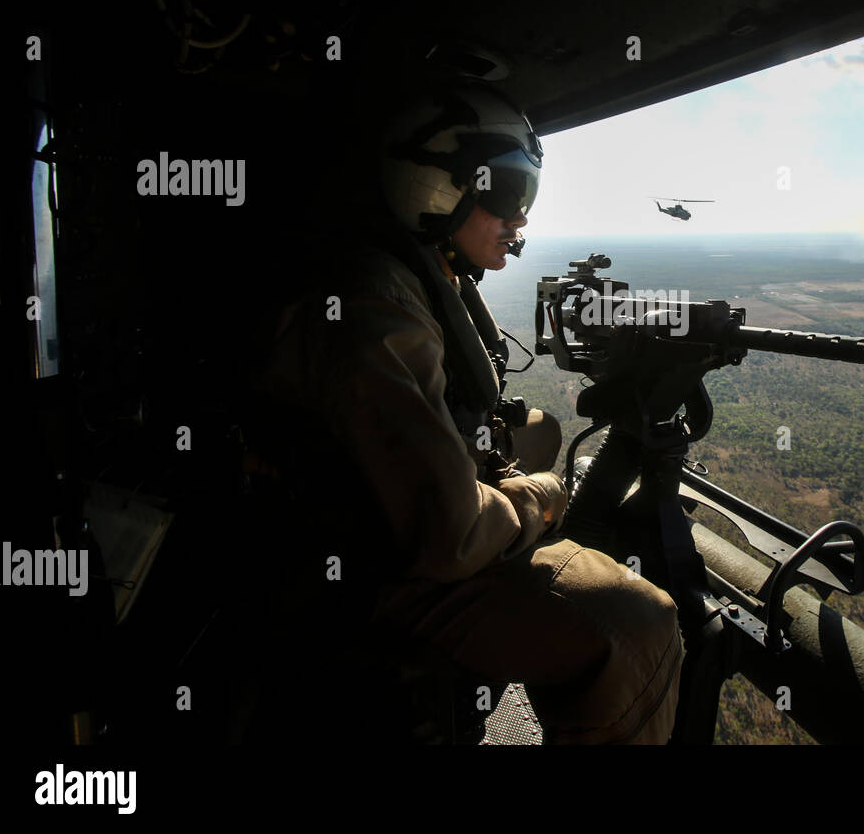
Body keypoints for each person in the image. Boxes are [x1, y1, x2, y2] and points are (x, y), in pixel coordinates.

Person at [249, 77, 684, 743]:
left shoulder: (418, 268)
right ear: (431, 185)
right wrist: (538, 498)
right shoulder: (375, 305)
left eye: (527, 197)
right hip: (368, 566)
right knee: (641, 628)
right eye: (509, 193)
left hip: (371, 507)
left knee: (542, 429)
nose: (522, 219)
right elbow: (445, 534)